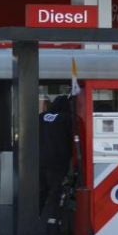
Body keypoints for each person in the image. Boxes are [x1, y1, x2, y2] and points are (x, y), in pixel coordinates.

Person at [39, 94, 73, 222]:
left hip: (41, 163)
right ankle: (51, 228)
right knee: (55, 197)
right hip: (58, 165)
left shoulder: (41, 117)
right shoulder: (67, 119)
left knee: (41, 194)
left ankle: (38, 220)